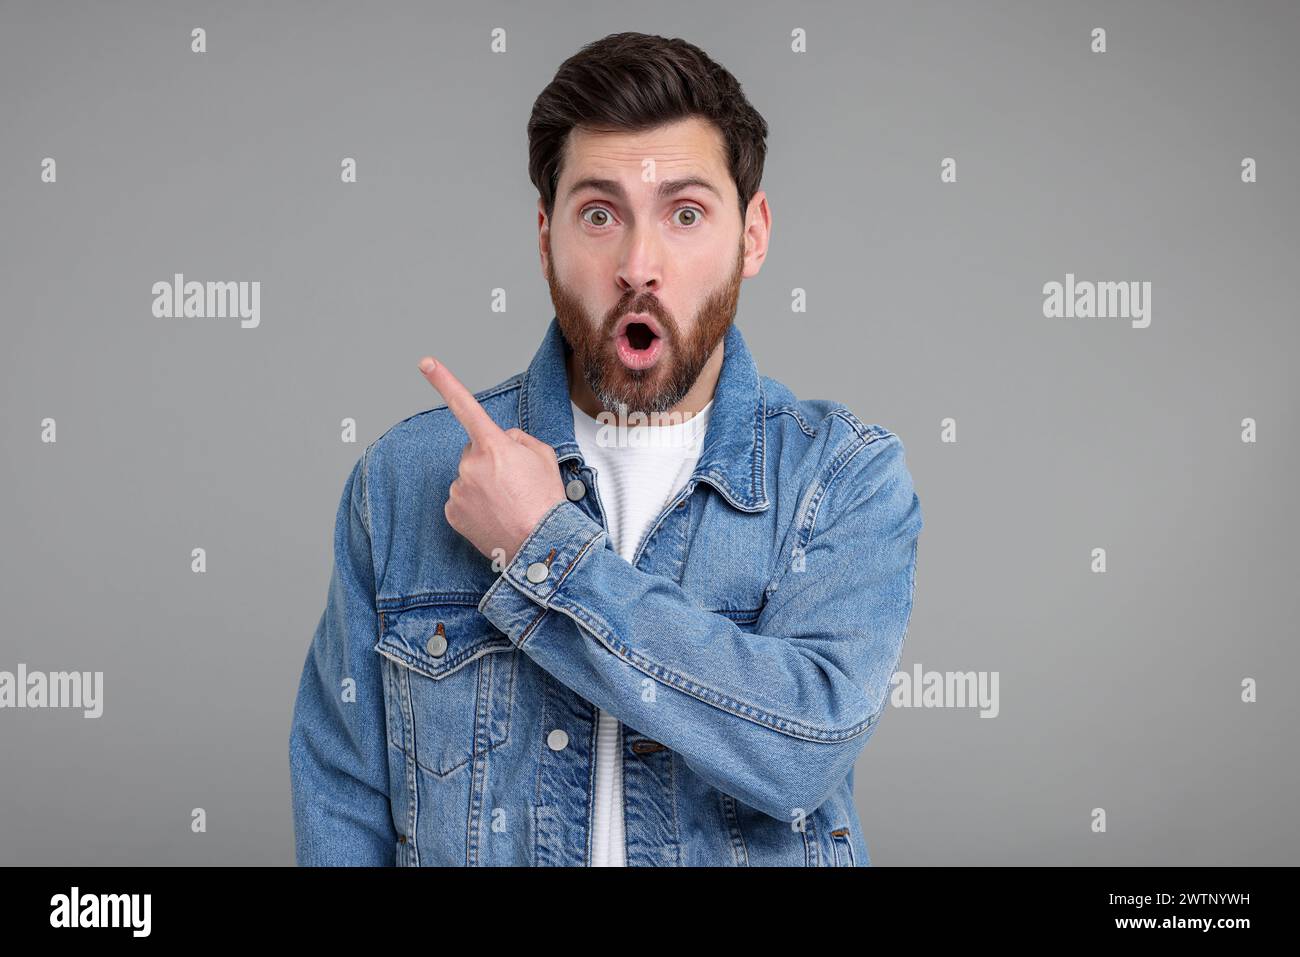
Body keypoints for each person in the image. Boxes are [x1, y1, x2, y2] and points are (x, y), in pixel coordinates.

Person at [289, 31, 922, 867]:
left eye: (686, 214)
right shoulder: (406, 479)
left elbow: (799, 751)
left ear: (753, 235)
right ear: (545, 234)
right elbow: (343, 799)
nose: (638, 264)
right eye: (599, 214)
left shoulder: (843, 480)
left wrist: (542, 548)